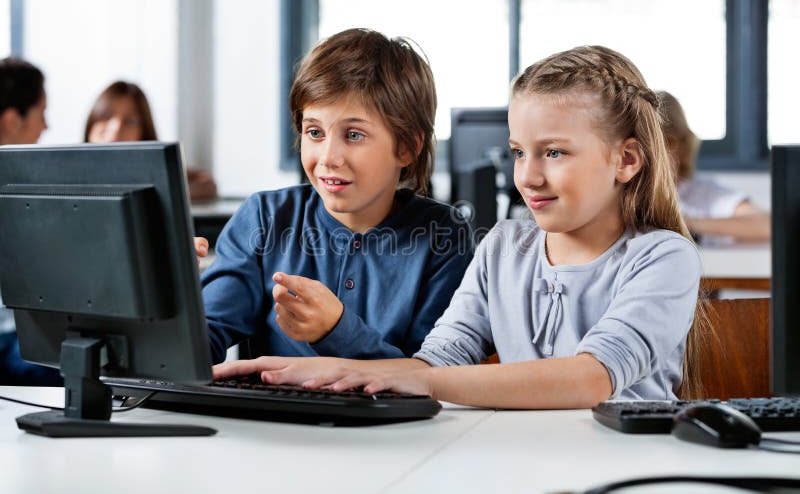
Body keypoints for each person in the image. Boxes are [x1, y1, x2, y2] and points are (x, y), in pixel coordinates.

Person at [214, 45, 710, 408]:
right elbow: (437, 362)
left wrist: (396, 373)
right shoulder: (504, 246)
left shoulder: (664, 256)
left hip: (625, 465)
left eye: (554, 152)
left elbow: (590, 380)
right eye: (519, 152)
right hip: (521, 461)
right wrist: (332, 370)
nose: (528, 176)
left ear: (625, 160)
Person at [200, 28, 473, 364]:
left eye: (354, 134)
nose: (328, 157)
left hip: (393, 418)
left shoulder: (443, 236)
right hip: (269, 417)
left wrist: (336, 331)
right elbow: (203, 339)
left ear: (406, 147)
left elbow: (431, 373)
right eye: (314, 132)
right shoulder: (265, 217)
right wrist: (168, 306)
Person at [0, 56, 62, 385]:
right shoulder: (19, 194)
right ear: (12, 120)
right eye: (42, 113)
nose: (46, 126)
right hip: (10, 342)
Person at [658, 90, 770, 245]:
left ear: (681, 147)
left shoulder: (702, 195)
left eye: (665, 146)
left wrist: (687, 224)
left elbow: (766, 225)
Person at [84, 80, 218, 201]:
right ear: (92, 121)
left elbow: (206, 182)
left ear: (144, 132)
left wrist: (162, 193)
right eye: (106, 116)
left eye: (130, 121)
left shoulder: (151, 172)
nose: (116, 129)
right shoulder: (70, 172)